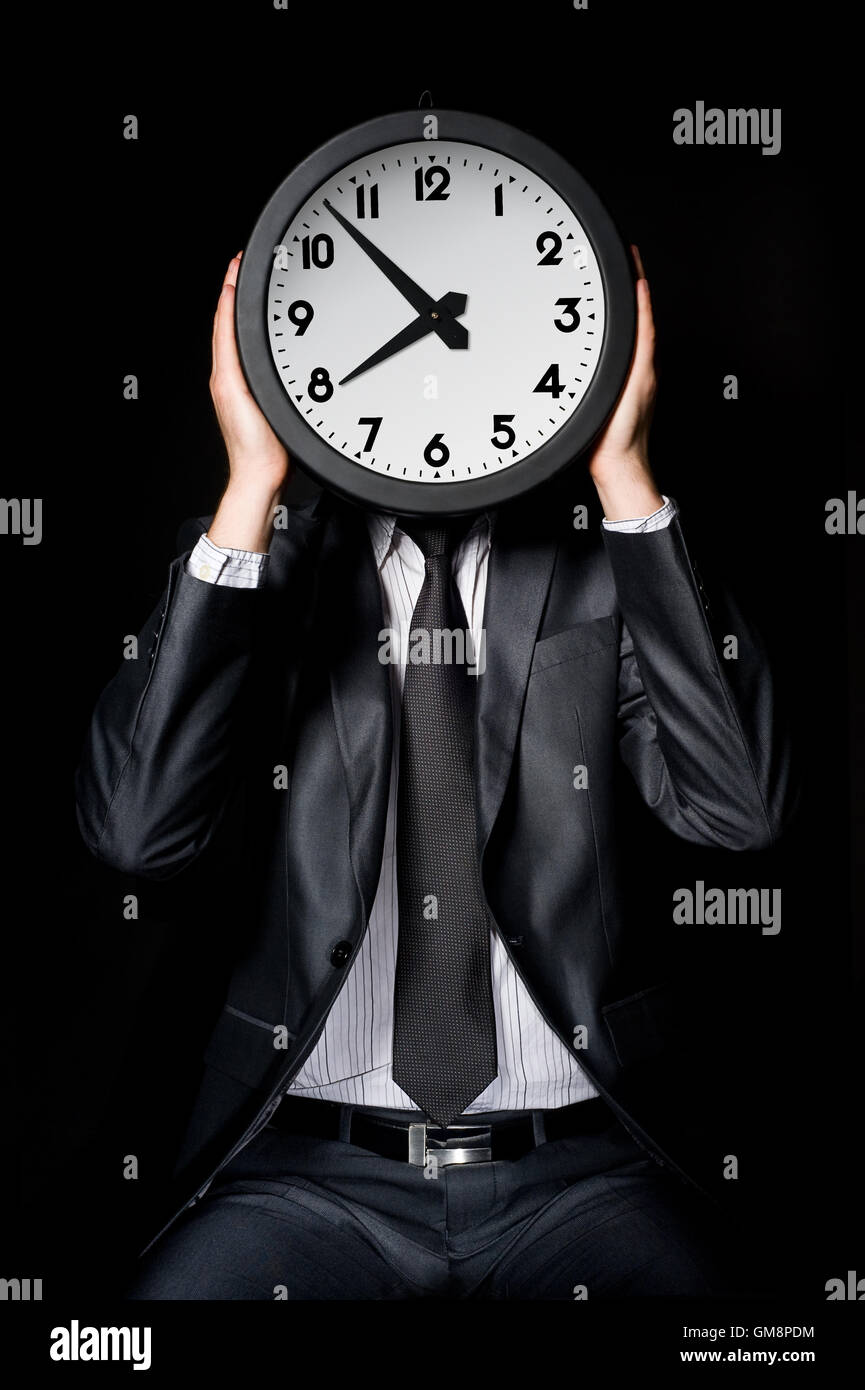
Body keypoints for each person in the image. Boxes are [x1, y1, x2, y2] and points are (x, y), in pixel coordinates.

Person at [75, 248, 796, 1299]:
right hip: (303, 1179)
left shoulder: (605, 567)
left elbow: (739, 812)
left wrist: (624, 476)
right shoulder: (261, 573)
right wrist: (249, 488)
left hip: (583, 1173)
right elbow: (135, 831)